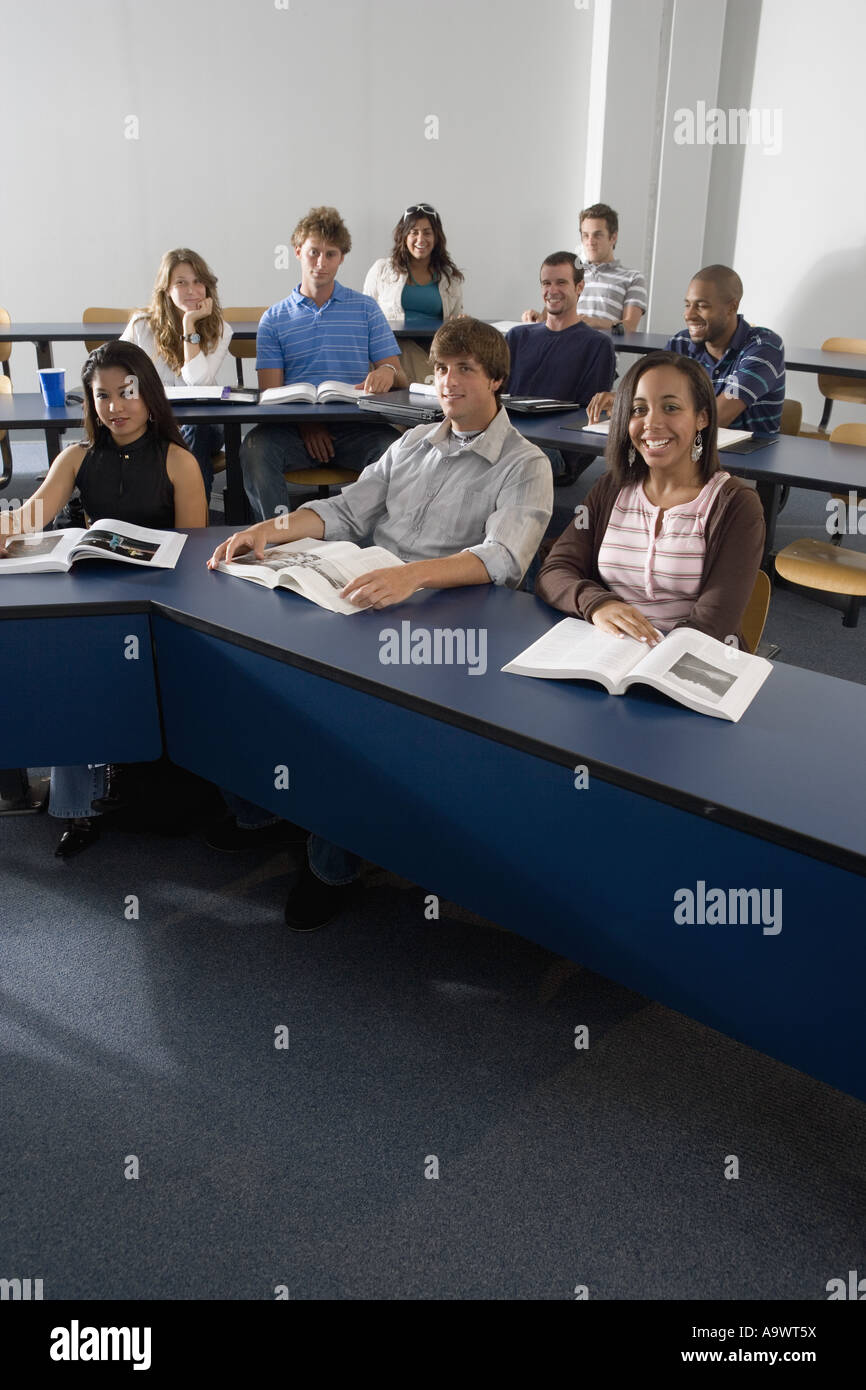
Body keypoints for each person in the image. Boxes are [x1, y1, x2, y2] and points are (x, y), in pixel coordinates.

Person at [208, 319, 553, 930]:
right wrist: (271, 529)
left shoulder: (525, 465)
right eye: (442, 370)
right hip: (376, 591)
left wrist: (414, 577)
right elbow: (345, 511)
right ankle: (264, 810)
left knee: (348, 707)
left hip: (453, 618)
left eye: (465, 370)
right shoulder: (411, 444)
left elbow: (504, 559)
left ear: (498, 378)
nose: (449, 382)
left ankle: (330, 864)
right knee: (252, 655)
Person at [0, 341, 207, 858]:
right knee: (64, 667)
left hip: (159, 601)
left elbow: (195, 551)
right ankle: (77, 810)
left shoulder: (179, 461)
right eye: (102, 396)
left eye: (127, 393)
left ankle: (131, 783)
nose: (115, 406)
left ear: (149, 394)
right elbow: (28, 517)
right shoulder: (76, 457)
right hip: (91, 597)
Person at [536, 352, 765, 649]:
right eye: (638, 409)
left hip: (690, 662)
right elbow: (554, 571)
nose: (651, 422)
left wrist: (650, 657)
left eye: (671, 408)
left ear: (702, 417)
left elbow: (714, 623)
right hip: (608, 651)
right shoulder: (611, 488)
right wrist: (598, 605)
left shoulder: (736, 505)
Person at [241, 206, 408, 522]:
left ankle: (370, 535)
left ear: (341, 258)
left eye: (330, 254)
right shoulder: (274, 319)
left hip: (355, 428)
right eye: (313, 252)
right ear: (298, 251)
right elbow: (271, 395)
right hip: (293, 431)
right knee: (255, 448)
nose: (321, 263)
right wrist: (307, 425)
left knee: (393, 448)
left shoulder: (366, 309)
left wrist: (387, 372)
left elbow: (399, 374)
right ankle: (278, 535)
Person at [587, 266, 785, 434]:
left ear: (732, 307)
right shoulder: (681, 342)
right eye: (688, 305)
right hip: (687, 455)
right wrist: (622, 400)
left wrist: (639, 408)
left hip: (746, 467)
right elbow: (648, 393)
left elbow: (717, 417)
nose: (689, 315)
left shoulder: (764, 346)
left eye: (701, 306)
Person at [121, 248, 232, 502]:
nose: (191, 290)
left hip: (205, 425)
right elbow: (118, 372)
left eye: (197, 282)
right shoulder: (141, 326)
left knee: (196, 431)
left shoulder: (220, 330)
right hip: (154, 423)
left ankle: (194, 520)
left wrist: (189, 325)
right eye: (181, 283)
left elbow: (198, 382)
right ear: (166, 290)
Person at [506, 252, 616, 484]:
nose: (552, 290)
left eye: (561, 283)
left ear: (579, 287)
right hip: (509, 437)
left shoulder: (597, 345)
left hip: (553, 450)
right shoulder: (517, 337)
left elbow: (588, 414)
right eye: (546, 283)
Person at [363, 203, 464, 383]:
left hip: (434, 348)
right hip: (393, 348)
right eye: (414, 232)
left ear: (436, 237)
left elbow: (454, 322)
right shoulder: (381, 270)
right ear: (404, 236)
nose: (420, 239)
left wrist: (460, 321)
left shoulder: (450, 277)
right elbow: (365, 316)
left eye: (427, 232)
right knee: (407, 351)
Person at [522, 203, 647, 331]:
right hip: (564, 343)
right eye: (585, 235)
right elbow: (548, 319)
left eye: (597, 235)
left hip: (602, 348)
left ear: (613, 237)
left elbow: (630, 327)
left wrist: (594, 322)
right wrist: (537, 318)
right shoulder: (569, 273)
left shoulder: (633, 278)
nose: (590, 242)